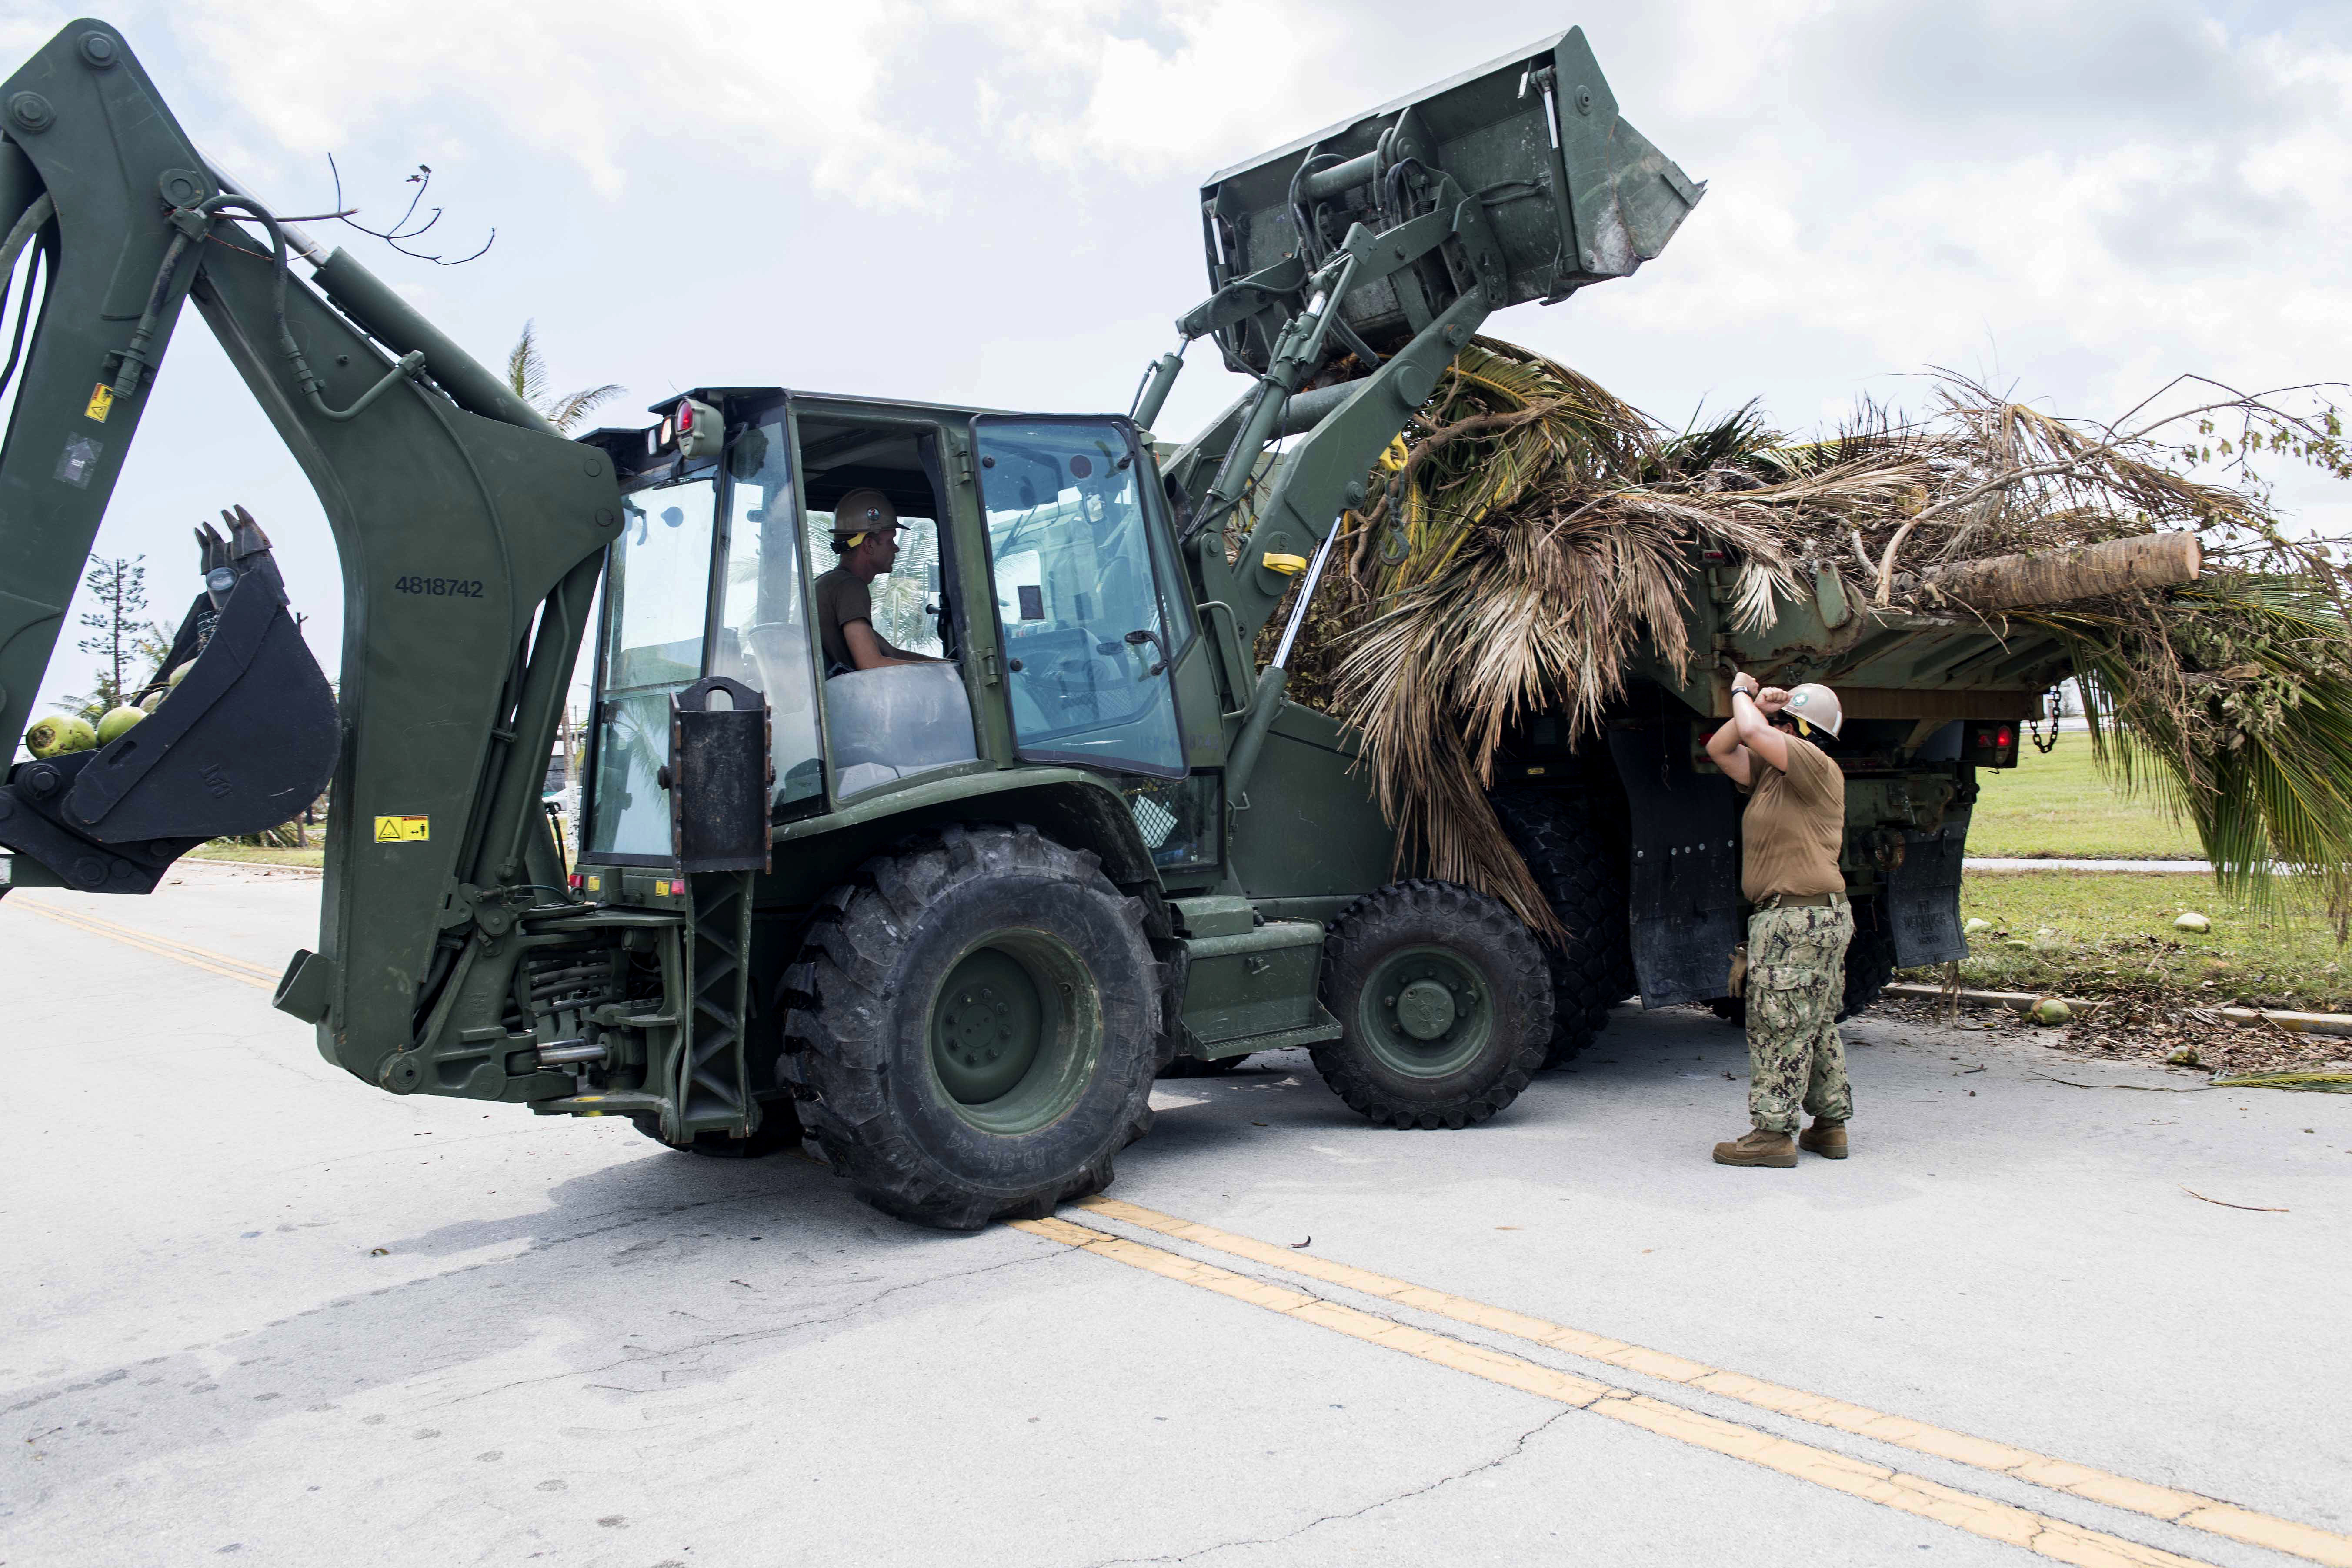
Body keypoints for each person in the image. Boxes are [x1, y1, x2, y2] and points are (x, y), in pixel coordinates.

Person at [1702, 673, 1853, 1168]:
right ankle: (1829, 1127)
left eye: (1789, 722)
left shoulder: (1814, 763)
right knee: (1814, 1025)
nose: (1780, 728)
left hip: (1799, 920)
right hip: (1806, 916)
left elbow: (1750, 734)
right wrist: (1759, 711)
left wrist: (1744, 695)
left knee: (1778, 1026)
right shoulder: (1776, 776)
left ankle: (1772, 1134)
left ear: (1807, 731)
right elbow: (1723, 748)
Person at [812, 488, 948, 675]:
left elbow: (891, 653)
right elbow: (871, 664)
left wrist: (950, 666)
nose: (897, 548)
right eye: (890, 540)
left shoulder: (828, 583)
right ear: (869, 545)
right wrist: (944, 673)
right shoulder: (849, 587)